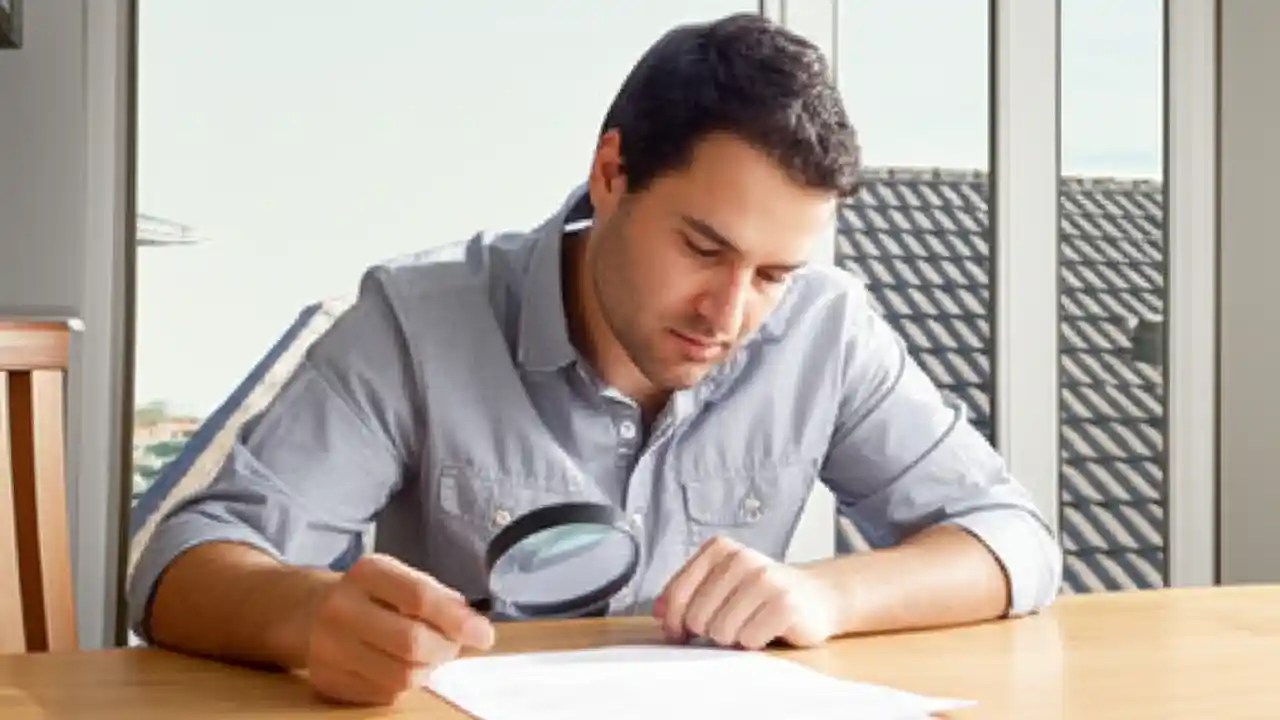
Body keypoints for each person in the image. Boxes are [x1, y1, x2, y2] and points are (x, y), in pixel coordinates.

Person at [129, 13, 1061, 707]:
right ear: (610, 173)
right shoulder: (416, 321)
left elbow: (1013, 540)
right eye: (702, 248)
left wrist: (824, 595)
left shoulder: (826, 327)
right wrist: (306, 615)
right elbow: (178, 569)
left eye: (773, 272)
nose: (729, 314)